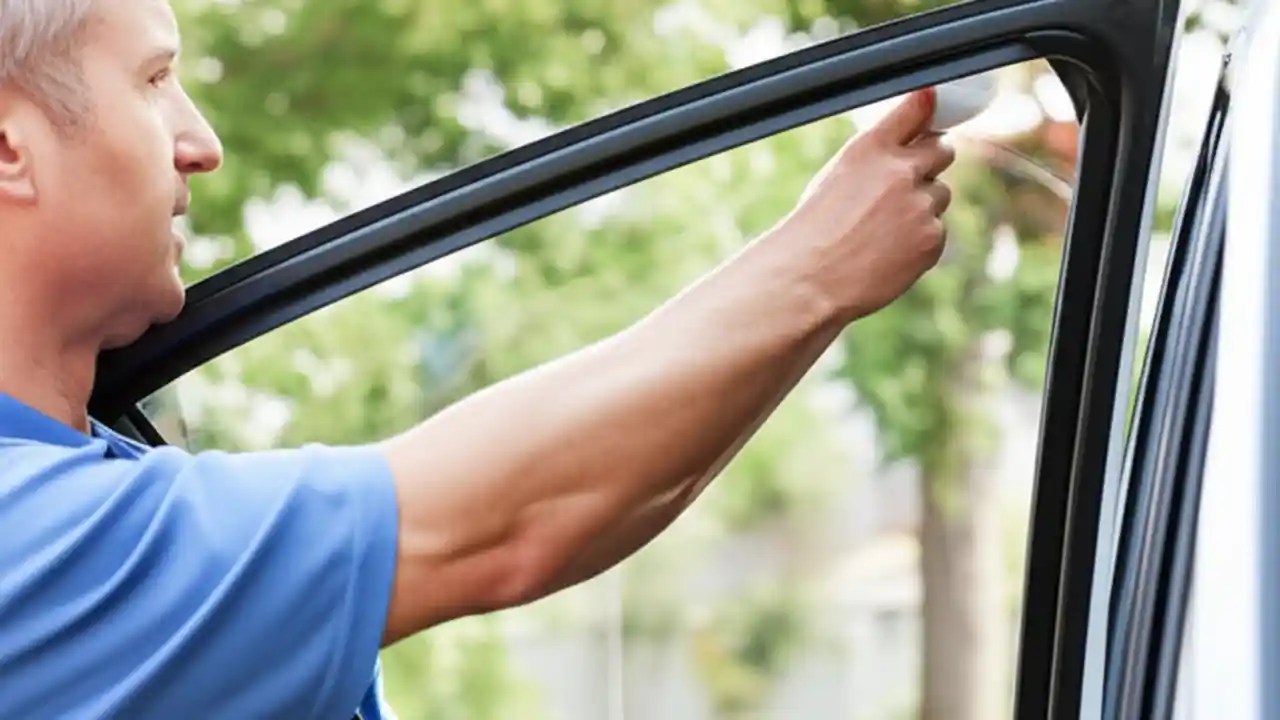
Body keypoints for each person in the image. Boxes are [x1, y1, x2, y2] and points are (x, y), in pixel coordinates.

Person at [0, 0, 955, 717]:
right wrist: (819, 267)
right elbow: (517, 519)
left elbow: (602, 492)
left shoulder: (96, 482)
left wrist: (825, 281)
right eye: (155, 80)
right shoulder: (29, 545)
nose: (200, 142)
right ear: (9, 146)